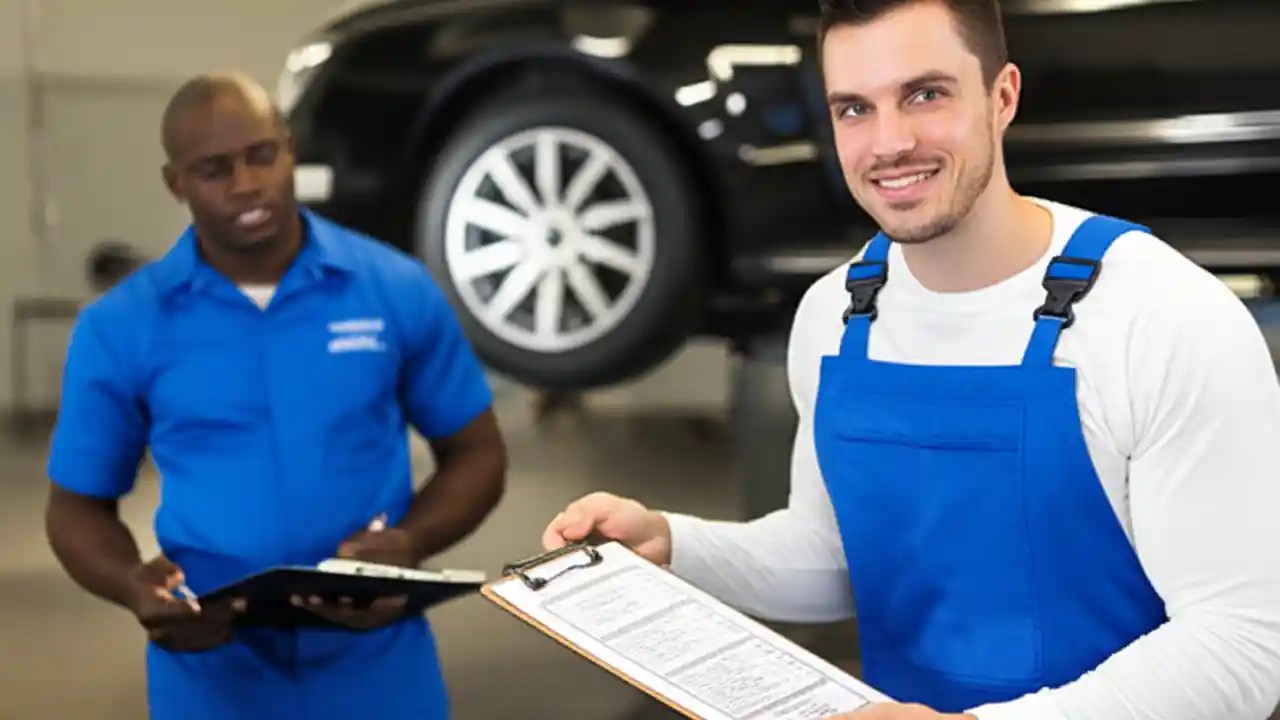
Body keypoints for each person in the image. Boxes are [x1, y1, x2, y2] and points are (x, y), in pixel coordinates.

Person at [542, 1, 1280, 718]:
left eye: (924, 95)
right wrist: (675, 544)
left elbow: (1244, 645)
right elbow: (836, 557)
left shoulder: (1161, 317)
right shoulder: (834, 316)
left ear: (1003, 96)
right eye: (854, 109)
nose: (889, 143)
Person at [44, 71, 507, 719]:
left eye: (262, 155)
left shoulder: (394, 289)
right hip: (211, 667)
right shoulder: (122, 325)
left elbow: (478, 452)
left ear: (290, 150)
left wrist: (412, 539)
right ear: (176, 183)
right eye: (214, 169)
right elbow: (76, 507)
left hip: (378, 660)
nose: (246, 184)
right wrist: (131, 584)